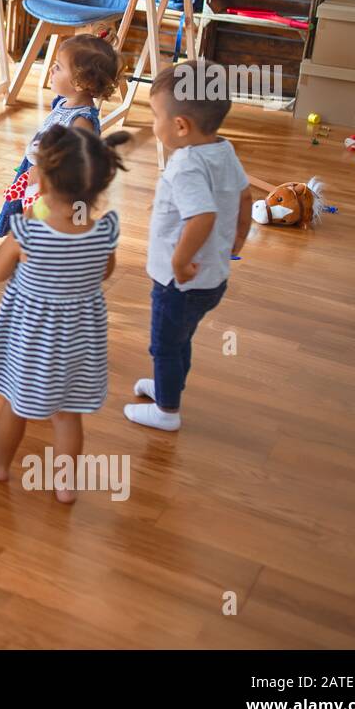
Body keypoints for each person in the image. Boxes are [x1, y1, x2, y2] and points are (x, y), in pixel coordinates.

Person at [0, 125, 131, 503]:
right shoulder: (104, 231)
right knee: (66, 414)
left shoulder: (28, 232)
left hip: (31, 338)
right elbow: (105, 272)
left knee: (16, 404)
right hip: (78, 338)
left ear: (40, 182)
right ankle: (65, 484)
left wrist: (22, 235)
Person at [127, 62, 251, 432]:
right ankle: (171, 387)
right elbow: (245, 197)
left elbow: (202, 217)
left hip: (178, 283)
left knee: (164, 346)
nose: (153, 124)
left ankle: (167, 411)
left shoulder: (185, 164)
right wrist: (237, 241)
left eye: (155, 116)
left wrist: (180, 263)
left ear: (180, 125)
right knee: (181, 339)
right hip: (212, 279)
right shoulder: (223, 150)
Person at [0, 32, 121, 238]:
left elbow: (76, 164)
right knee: (26, 216)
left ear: (80, 83)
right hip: (34, 171)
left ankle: (45, 250)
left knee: (44, 223)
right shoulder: (63, 101)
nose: (51, 69)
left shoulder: (81, 121)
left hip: (53, 186)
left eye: (58, 66)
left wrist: (43, 172)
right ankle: (26, 246)